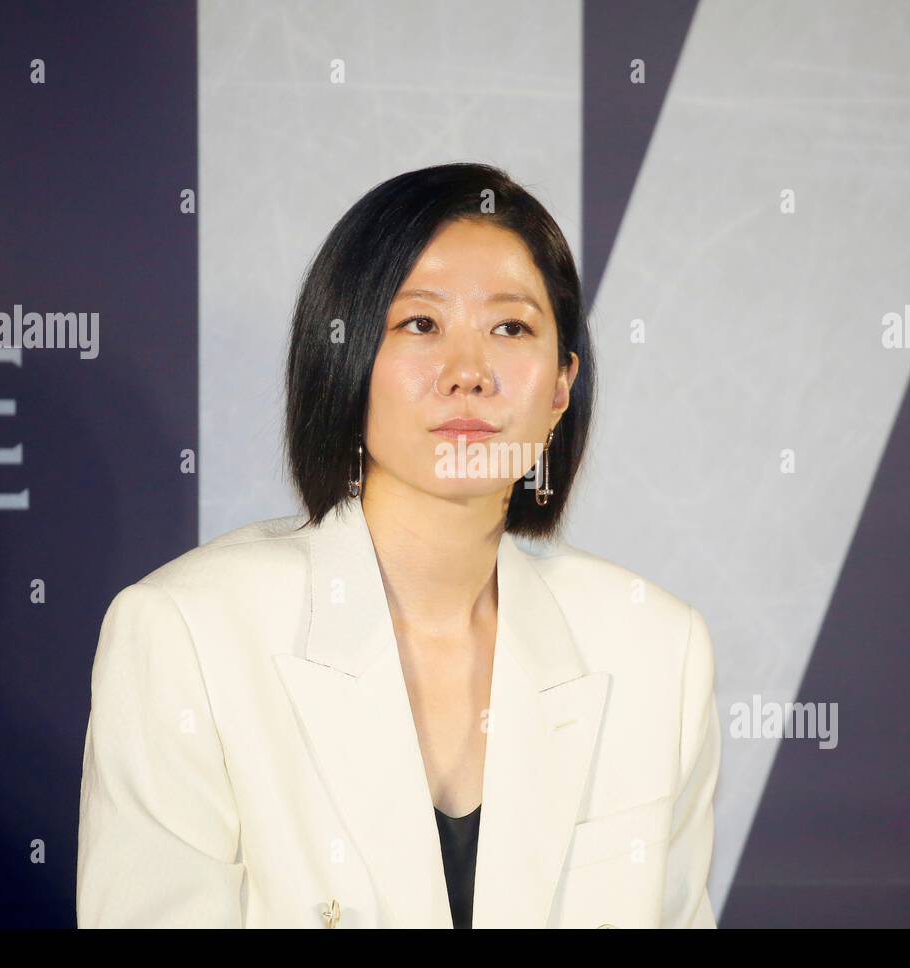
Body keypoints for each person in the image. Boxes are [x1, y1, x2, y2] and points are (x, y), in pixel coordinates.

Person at [75, 162, 721, 929]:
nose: (469, 373)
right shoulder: (188, 635)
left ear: (559, 389)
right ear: (345, 362)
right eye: (420, 324)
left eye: (511, 328)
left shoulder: (656, 648)